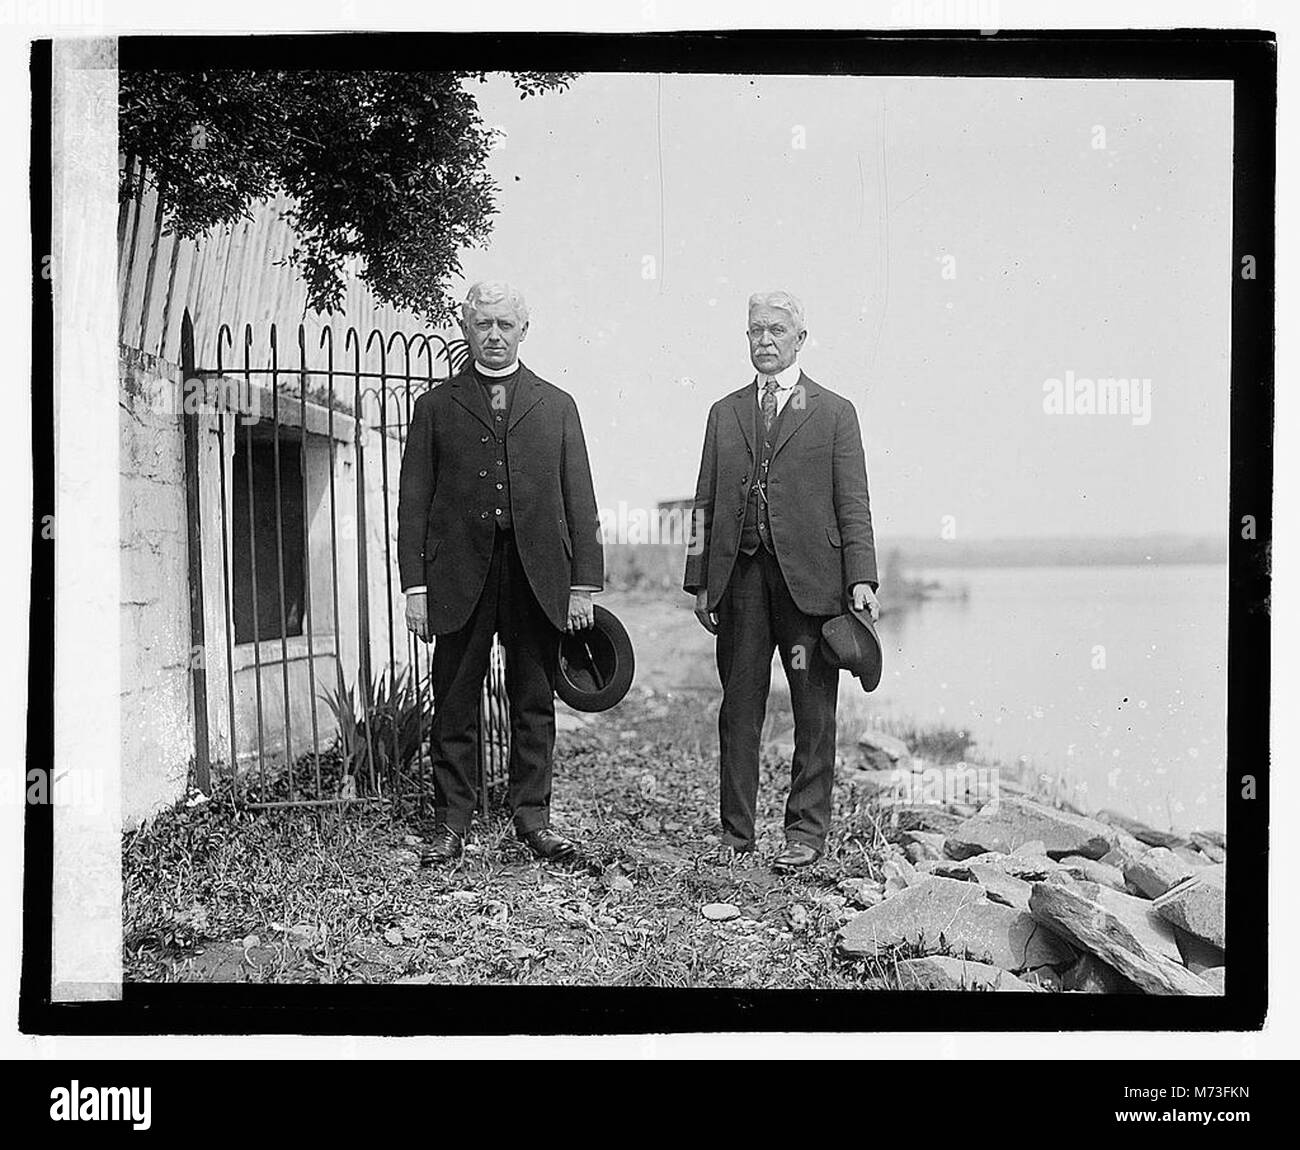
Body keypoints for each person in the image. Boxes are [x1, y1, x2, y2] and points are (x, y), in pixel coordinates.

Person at [397, 281, 603, 865]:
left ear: (523, 331)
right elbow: (413, 501)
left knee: (533, 698)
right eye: (483, 323)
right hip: (459, 575)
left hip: (537, 576)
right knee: (455, 695)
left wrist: (582, 584)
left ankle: (532, 819)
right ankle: (451, 822)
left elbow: (579, 497)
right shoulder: (436, 407)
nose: (493, 335)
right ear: (466, 326)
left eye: (505, 325)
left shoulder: (556, 404)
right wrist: (417, 587)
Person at [683, 291, 879, 871]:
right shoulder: (725, 412)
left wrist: (862, 578)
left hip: (813, 586)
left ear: (800, 339)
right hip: (740, 581)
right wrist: (699, 580)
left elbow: (855, 502)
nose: (763, 340)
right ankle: (735, 834)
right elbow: (703, 505)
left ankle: (805, 834)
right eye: (754, 331)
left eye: (775, 330)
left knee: (813, 711)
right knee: (739, 707)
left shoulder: (835, 412)